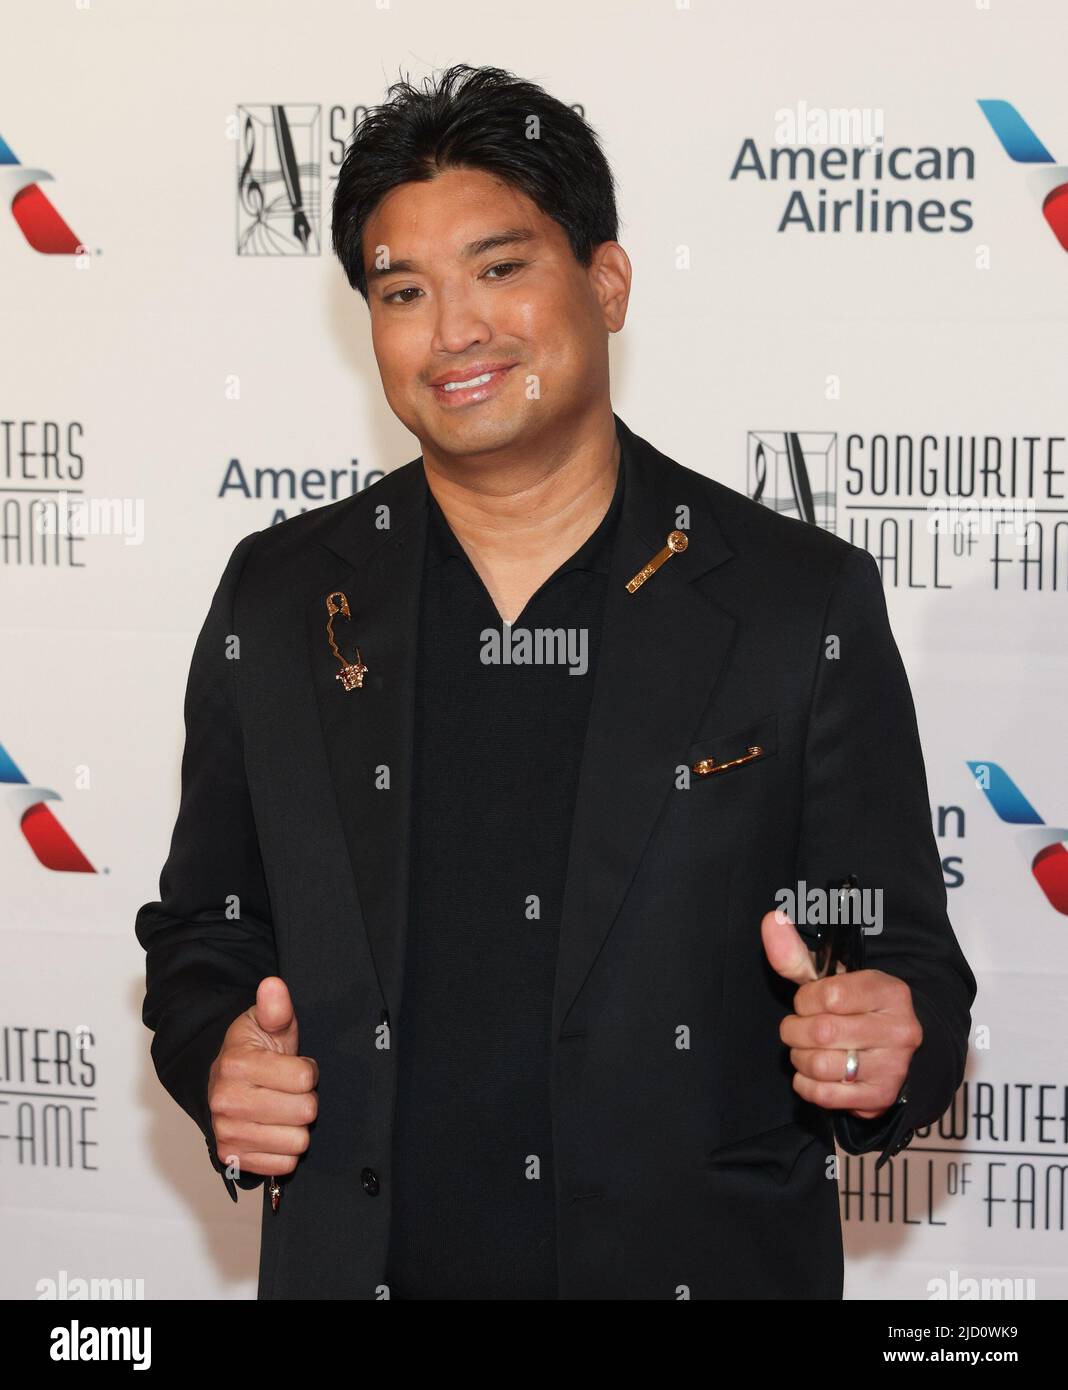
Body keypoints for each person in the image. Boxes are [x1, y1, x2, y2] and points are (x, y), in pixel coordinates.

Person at [136, 63, 976, 1300]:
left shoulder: (797, 603)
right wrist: (219, 1055)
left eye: (500, 267)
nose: (455, 329)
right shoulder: (279, 593)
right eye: (403, 289)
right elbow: (205, 928)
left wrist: (884, 1037)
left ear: (608, 281)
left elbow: (900, 956)